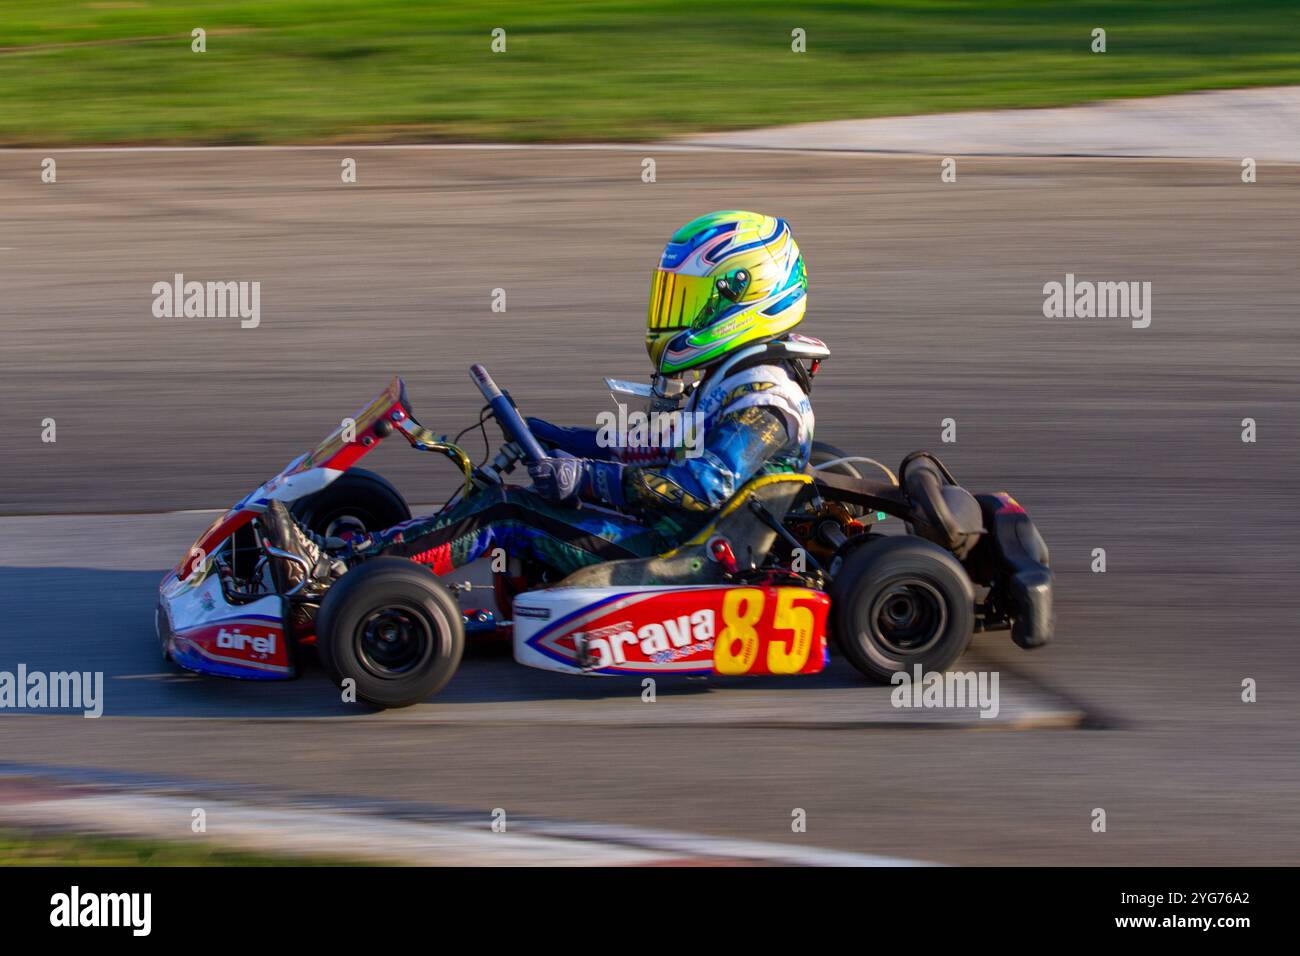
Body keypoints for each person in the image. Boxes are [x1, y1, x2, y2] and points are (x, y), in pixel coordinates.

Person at [263, 210, 817, 585]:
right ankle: (368, 552)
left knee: (505, 511)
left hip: (677, 558)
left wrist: (588, 478)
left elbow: (701, 485)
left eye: (692, 300)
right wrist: (558, 438)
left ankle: (338, 575)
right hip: (666, 529)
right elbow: (654, 448)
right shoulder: (730, 380)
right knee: (508, 493)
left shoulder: (765, 403)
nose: (676, 314)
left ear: (747, 298)